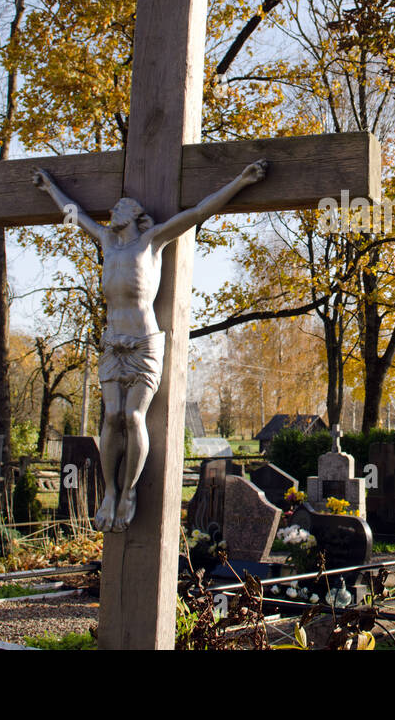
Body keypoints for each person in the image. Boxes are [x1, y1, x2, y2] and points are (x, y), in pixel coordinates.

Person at [33, 159, 268, 531]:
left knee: (132, 416)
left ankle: (128, 491)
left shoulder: (152, 240)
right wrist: (49, 189)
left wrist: (240, 180)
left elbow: (198, 211)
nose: (111, 211)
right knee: (111, 417)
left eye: (119, 207)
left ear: (134, 214)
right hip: (112, 343)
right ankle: (110, 491)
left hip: (143, 343)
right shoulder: (107, 240)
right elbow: (75, 216)